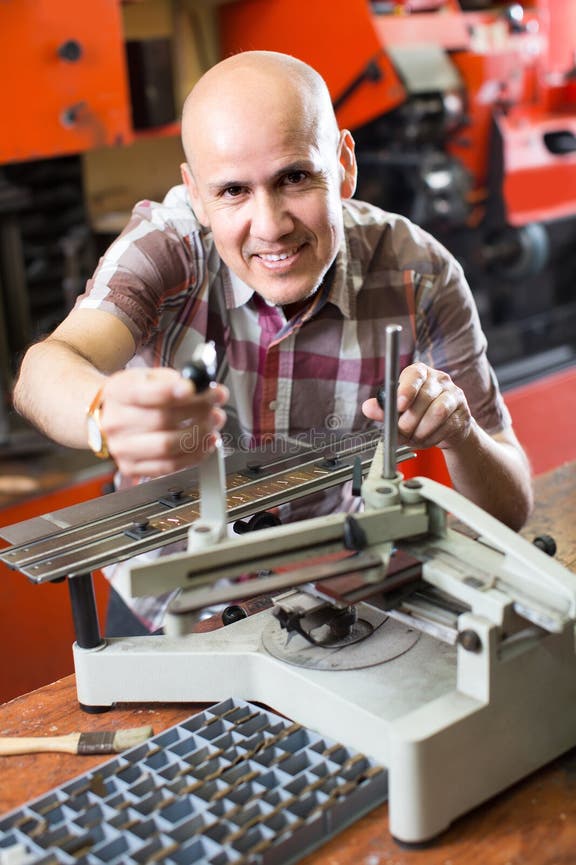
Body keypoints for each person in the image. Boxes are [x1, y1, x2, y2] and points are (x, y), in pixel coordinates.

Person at [13, 50, 533, 635]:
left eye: (294, 177)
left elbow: (509, 510)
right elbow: (46, 370)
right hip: (169, 600)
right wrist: (102, 413)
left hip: (337, 593)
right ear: (196, 194)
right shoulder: (168, 247)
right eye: (233, 191)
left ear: (343, 163)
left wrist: (461, 433)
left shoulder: (420, 274)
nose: (271, 225)